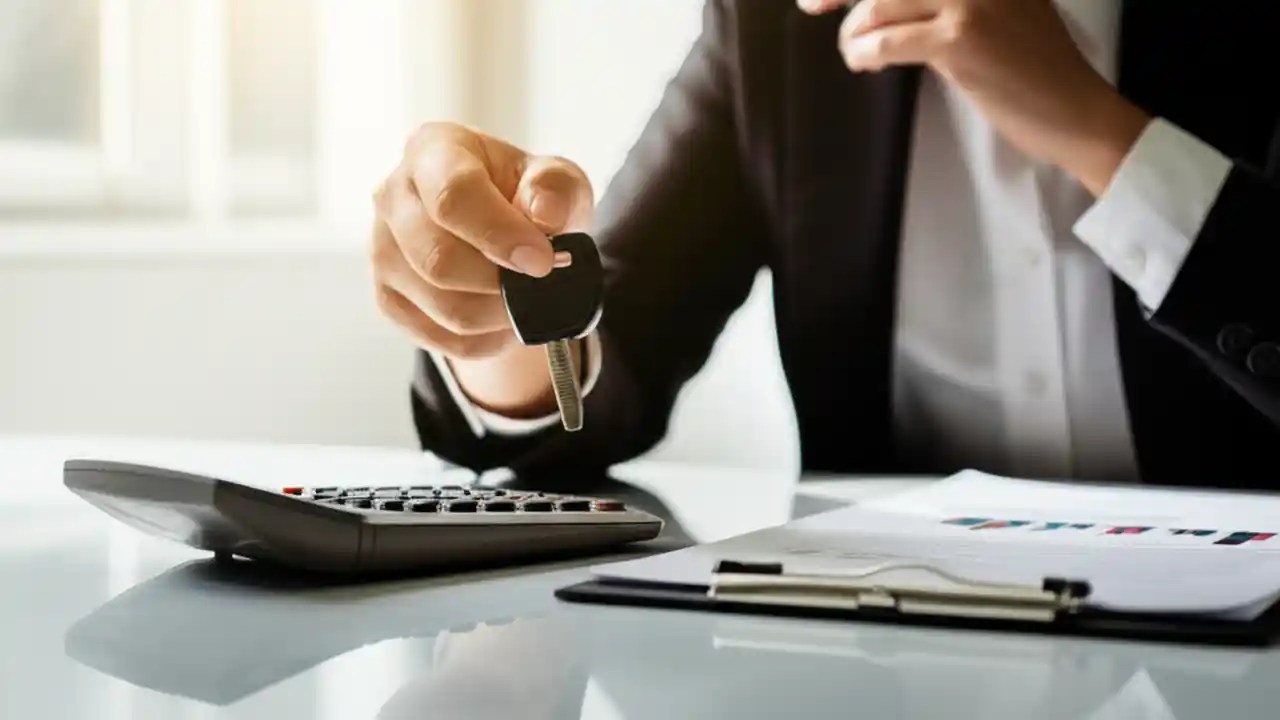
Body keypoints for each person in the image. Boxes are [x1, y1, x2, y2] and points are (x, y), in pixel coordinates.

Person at [370, 0, 1280, 488]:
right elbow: (618, 358)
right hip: (886, 655)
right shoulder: (781, 26)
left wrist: (1097, 131)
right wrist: (500, 321)